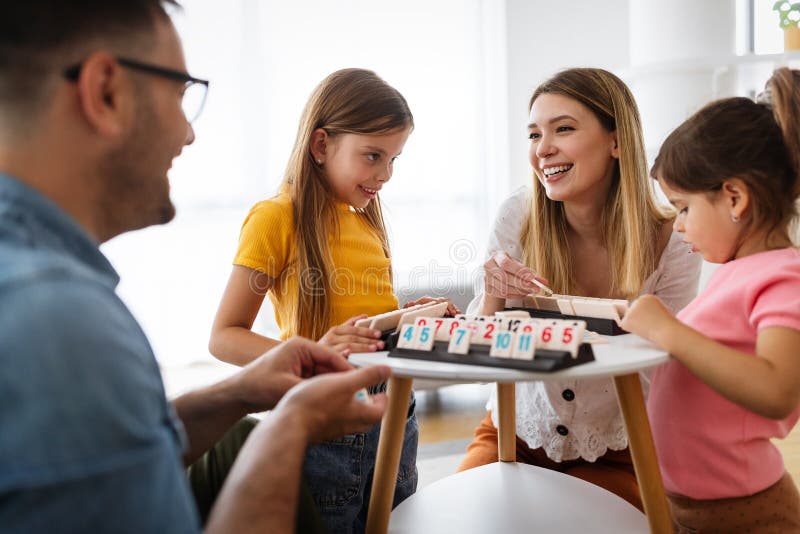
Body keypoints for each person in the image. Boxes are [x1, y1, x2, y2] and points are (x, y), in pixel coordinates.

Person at [0, 2, 392, 533]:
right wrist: (292, 425)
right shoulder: (61, 320)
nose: (188, 134)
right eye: (180, 94)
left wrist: (240, 392)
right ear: (106, 92)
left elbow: (132, 441)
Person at [209, 68, 444, 533]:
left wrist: (403, 317)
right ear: (321, 146)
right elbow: (224, 337)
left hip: (395, 407)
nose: (385, 175)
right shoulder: (276, 218)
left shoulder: (365, 221)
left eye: (394, 159)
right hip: (326, 417)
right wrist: (314, 355)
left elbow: (362, 322)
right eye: (373, 155)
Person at [457, 68, 702, 510]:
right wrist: (492, 296)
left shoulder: (677, 239)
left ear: (616, 141)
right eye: (534, 135)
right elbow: (474, 346)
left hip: (620, 448)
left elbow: (663, 367)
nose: (542, 149)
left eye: (563, 129)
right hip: (514, 434)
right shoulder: (518, 214)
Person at [622, 67, 800, 532]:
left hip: (745, 511)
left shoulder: (784, 277)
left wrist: (669, 330)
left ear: (735, 198)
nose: (678, 225)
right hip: (688, 501)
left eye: (683, 207)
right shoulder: (735, 272)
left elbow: (777, 391)